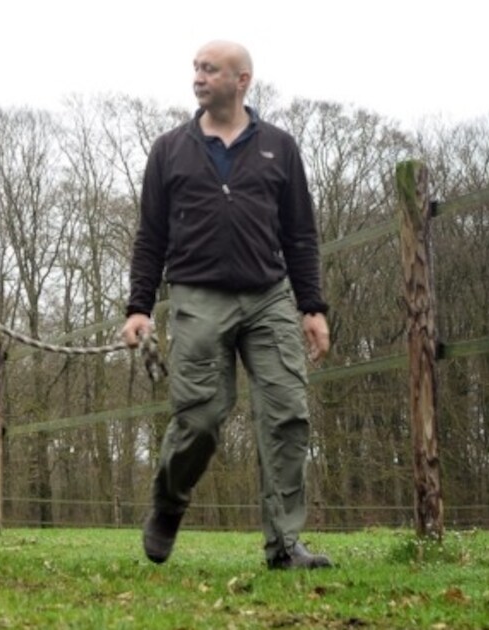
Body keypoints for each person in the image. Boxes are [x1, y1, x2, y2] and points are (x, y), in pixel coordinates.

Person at [120, 40, 332, 570]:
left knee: (287, 413)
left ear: (242, 81)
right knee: (201, 417)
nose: (198, 76)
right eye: (195, 68)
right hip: (197, 295)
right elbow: (150, 237)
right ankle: (169, 505)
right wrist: (138, 307)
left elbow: (300, 234)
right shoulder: (170, 149)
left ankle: (284, 545)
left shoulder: (279, 147)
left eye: (210, 69)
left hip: (268, 296)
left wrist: (312, 307)